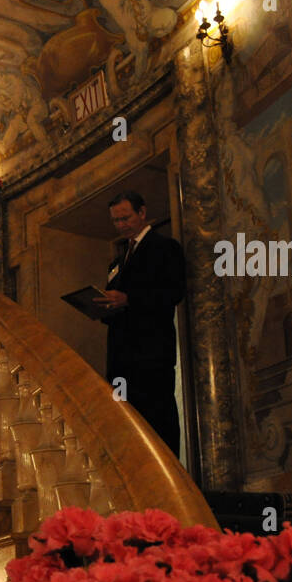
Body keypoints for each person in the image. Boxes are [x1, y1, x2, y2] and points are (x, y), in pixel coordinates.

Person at [94, 191, 187, 455]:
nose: (121, 225)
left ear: (142, 213)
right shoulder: (117, 261)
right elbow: (114, 300)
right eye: (116, 221)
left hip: (151, 355)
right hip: (120, 358)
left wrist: (129, 299)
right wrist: (101, 306)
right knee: (126, 428)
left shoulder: (165, 248)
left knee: (157, 422)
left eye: (126, 218)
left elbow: (173, 292)